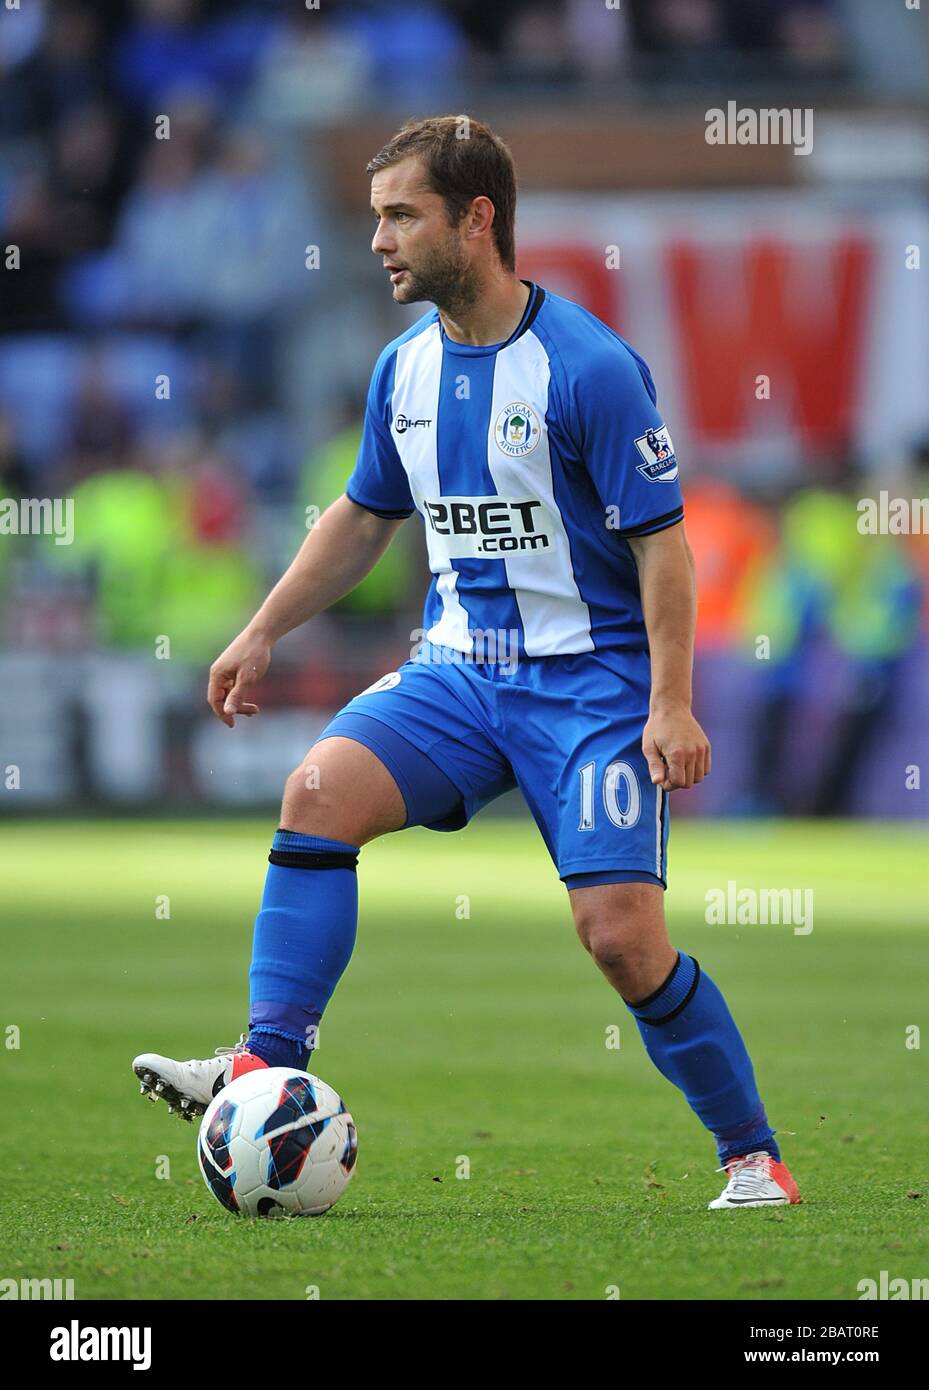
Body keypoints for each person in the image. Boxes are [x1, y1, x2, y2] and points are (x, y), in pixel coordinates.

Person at [133, 115, 800, 1210]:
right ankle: (259, 1065)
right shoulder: (400, 368)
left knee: (620, 940)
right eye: (375, 217)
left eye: (402, 216)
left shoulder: (587, 368)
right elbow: (364, 515)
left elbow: (662, 545)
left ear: (475, 220)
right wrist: (261, 629)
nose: (378, 240)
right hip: (458, 672)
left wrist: (671, 703)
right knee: (316, 793)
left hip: (590, 689)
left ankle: (751, 1156)